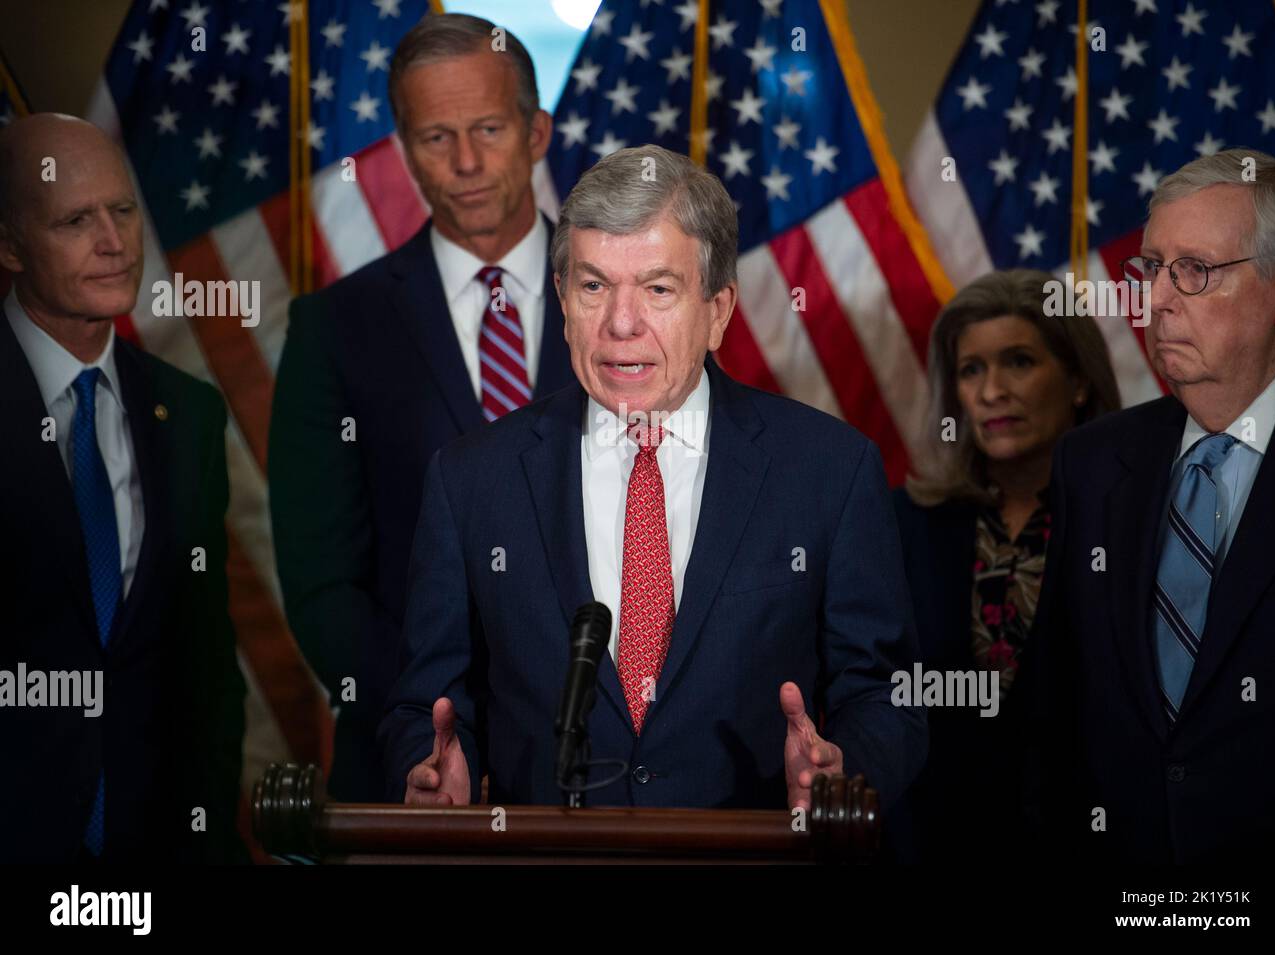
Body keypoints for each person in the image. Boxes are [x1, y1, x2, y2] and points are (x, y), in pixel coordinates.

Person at [380, 144, 926, 812]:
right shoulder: (471, 479)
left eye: (658, 289)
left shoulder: (829, 471)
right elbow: (424, 705)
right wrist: (430, 767)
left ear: (718, 309)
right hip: (549, 857)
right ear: (562, 299)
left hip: (753, 857)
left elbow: (885, 697)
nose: (621, 323)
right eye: (593, 286)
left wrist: (842, 772)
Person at [268, 13, 576, 802]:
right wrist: (431, 727)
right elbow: (323, 586)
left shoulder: (627, 303)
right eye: (436, 137)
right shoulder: (335, 328)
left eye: (488, 129)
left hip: (606, 773)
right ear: (404, 150)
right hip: (407, 776)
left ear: (536, 132)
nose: (466, 162)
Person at [1029, 149, 1275, 863]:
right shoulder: (1091, 463)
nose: (1155, 301)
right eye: (1151, 269)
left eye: (1195, 271)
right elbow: (1051, 711)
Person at [0, 114, 245, 863]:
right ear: (10, 245)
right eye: (76, 221)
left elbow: (205, 669)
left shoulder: (189, 412)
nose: (115, 242)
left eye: (124, 210)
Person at [892, 270, 1119, 862]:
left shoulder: (1130, 518)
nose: (992, 391)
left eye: (1019, 362)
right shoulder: (903, 524)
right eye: (971, 370)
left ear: (1077, 380)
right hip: (934, 847)